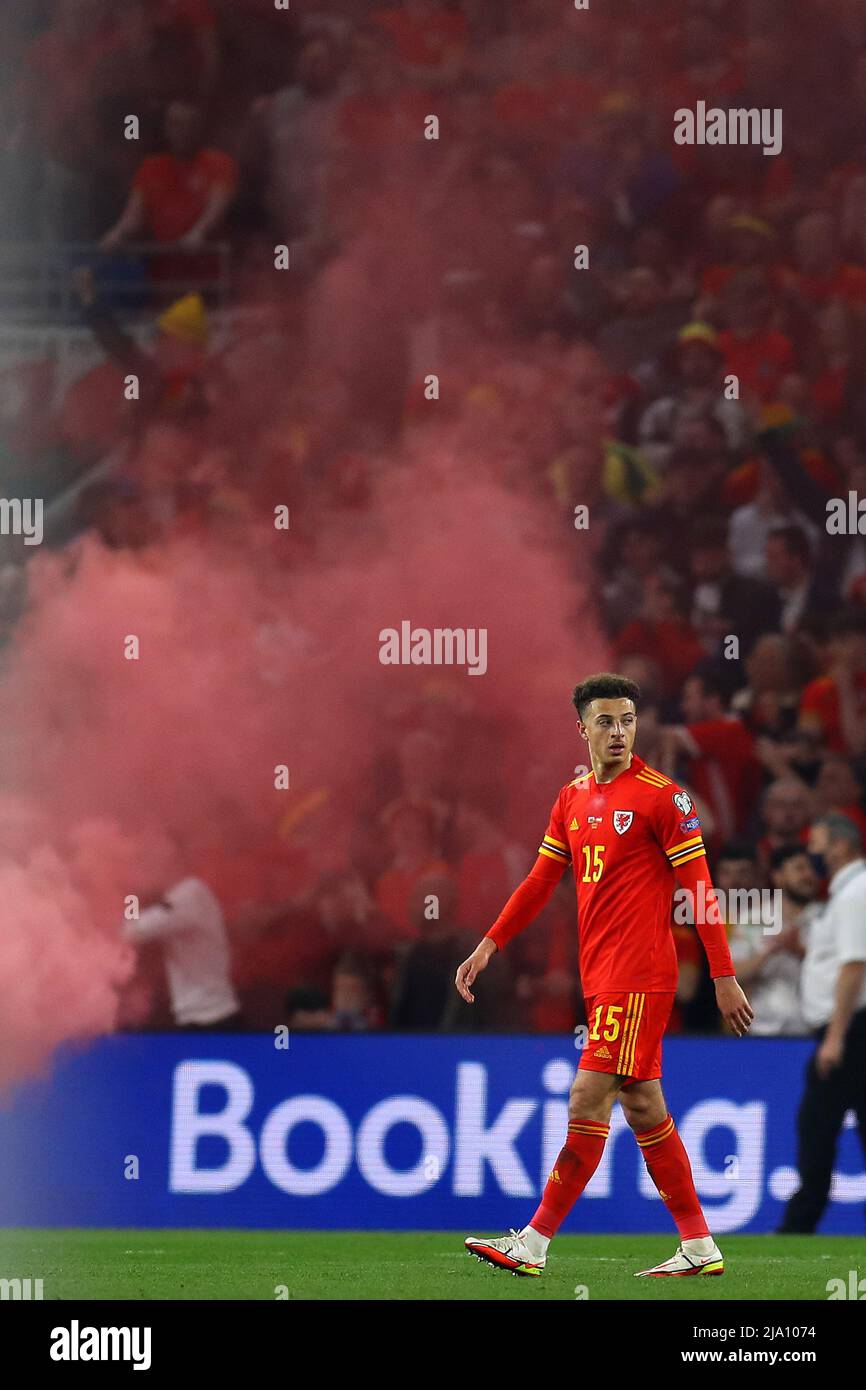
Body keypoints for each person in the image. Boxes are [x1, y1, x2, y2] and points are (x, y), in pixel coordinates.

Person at [455, 672, 751, 1278]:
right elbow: (541, 882)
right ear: (583, 728)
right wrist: (489, 945)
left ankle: (533, 1242)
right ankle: (699, 1246)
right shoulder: (572, 798)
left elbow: (699, 889)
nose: (618, 732)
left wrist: (723, 974)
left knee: (588, 1095)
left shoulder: (665, 797)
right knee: (642, 1104)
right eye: (606, 721)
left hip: (640, 973)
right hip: (603, 974)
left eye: (627, 721)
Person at [779, 814, 866, 1232]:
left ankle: (799, 1222)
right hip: (850, 1029)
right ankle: (802, 1216)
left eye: (817, 844)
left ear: (841, 847)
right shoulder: (846, 892)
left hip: (850, 1031)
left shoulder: (855, 893)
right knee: (826, 1123)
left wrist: (835, 1037)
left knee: (815, 1125)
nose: (812, 854)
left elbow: (853, 966)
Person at [121, 874, 242, 1030]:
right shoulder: (184, 895)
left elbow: (132, 931)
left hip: (211, 1020)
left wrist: (132, 897)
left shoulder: (188, 894)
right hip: (203, 1017)